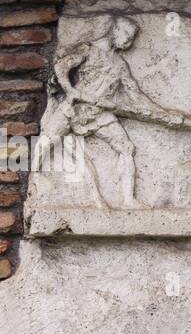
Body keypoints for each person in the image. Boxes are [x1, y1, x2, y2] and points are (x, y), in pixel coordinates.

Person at [49, 17, 177, 209]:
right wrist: (70, 90)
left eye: (132, 38)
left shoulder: (120, 65)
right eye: (127, 36)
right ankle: (37, 181)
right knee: (47, 142)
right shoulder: (88, 49)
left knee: (126, 148)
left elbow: (135, 94)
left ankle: (128, 200)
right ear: (115, 31)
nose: (128, 42)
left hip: (100, 113)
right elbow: (61, 67)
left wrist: (163, 114)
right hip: (73, 109)